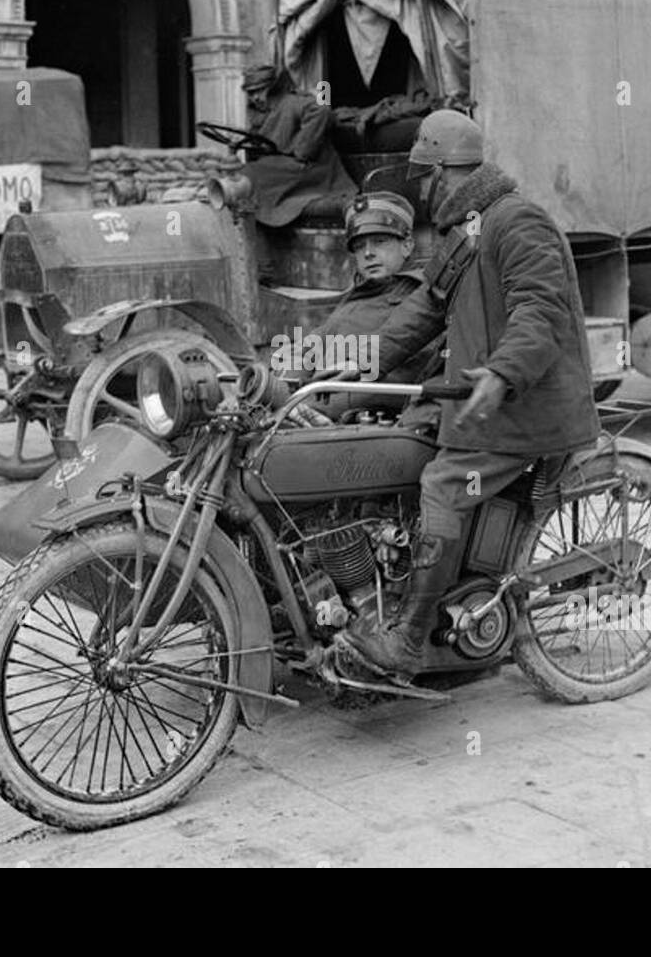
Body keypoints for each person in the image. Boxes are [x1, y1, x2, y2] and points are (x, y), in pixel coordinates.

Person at [320, 110, 601, 679]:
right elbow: (422, 311)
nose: (420, 193)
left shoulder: (516, 222)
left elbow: (539, 312)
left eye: (423, 179)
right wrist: (363, 362)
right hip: (480, 405)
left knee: (443, 485)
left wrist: (501, 373)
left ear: (445, 172)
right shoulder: (464, 232)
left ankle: (408, 639)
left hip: (524, 408)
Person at [288, 191, 437, 416]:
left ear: (407, 245)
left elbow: (395, 381)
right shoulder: (360, 296)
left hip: (359, 421)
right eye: (359, 246)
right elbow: (308, 348)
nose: (368, 253)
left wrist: (304, 406)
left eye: (379, 242)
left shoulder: (422, 302)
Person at [237, 63, 355, 227]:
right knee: (245, 173)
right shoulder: (260, 113)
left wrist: (302, 151)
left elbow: (321, 112)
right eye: (251, 93)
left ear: (272, 88)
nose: (255, 97)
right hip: (281, 167)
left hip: (311, 168)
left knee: (253, 175)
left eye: (259, 90)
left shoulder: (292, 102)